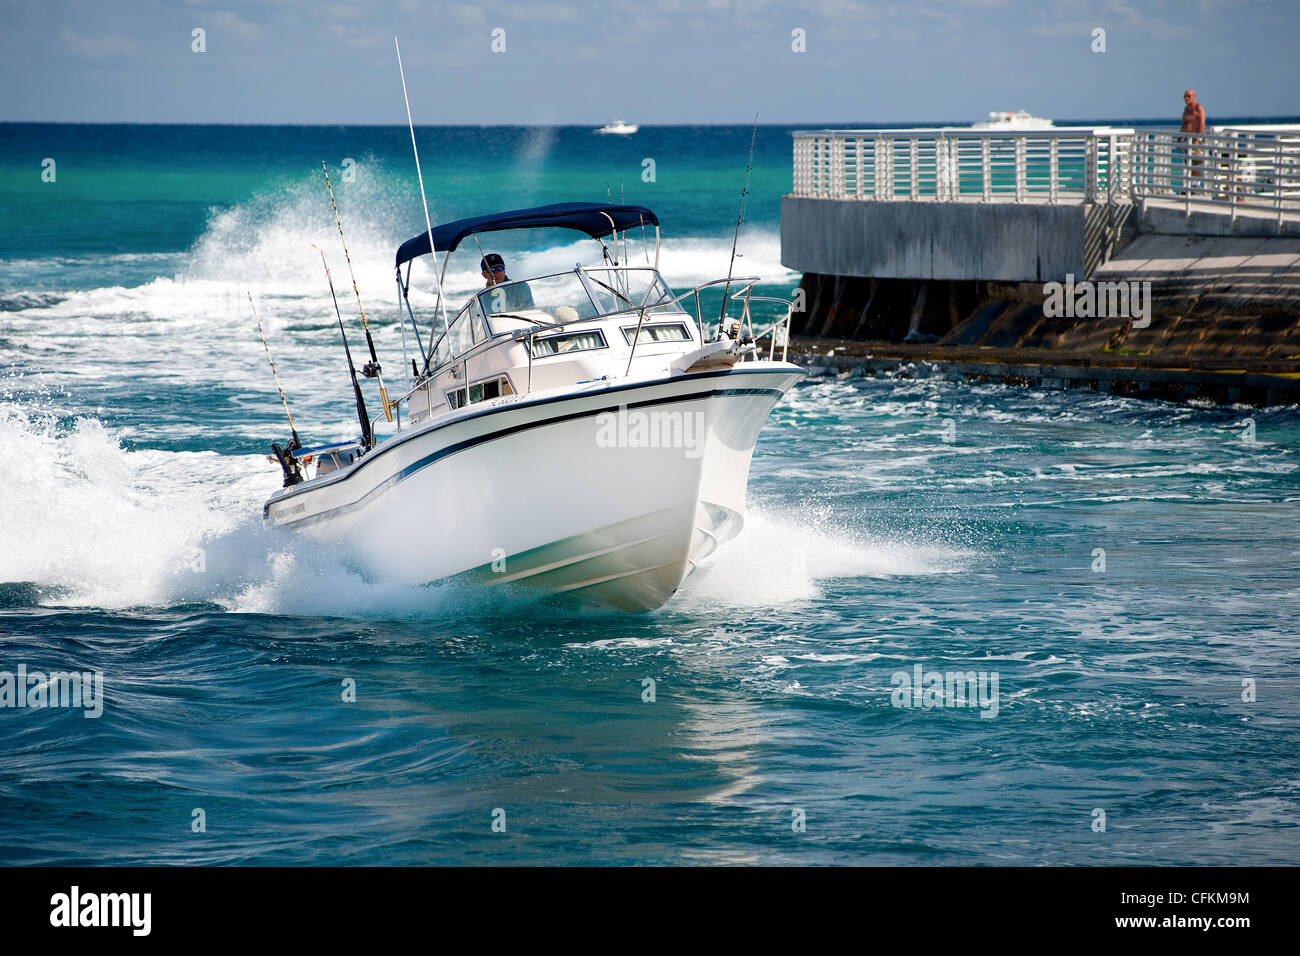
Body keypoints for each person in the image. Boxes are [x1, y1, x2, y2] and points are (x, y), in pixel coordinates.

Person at [1180, 89, 1206, 191]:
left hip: (1196, 139)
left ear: (1194, 97)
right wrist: (1179, 139)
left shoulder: (1198, 108)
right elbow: (1184, 125)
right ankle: (1190, 185)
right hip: (1187, 139)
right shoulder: (1186, 110)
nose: (1186, 98)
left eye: (1189, 96)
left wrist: (1196, 138)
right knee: (1188, 162)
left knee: (1197, 161)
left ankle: (1196, 184)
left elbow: (1202, 123)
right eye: (1185, 96)